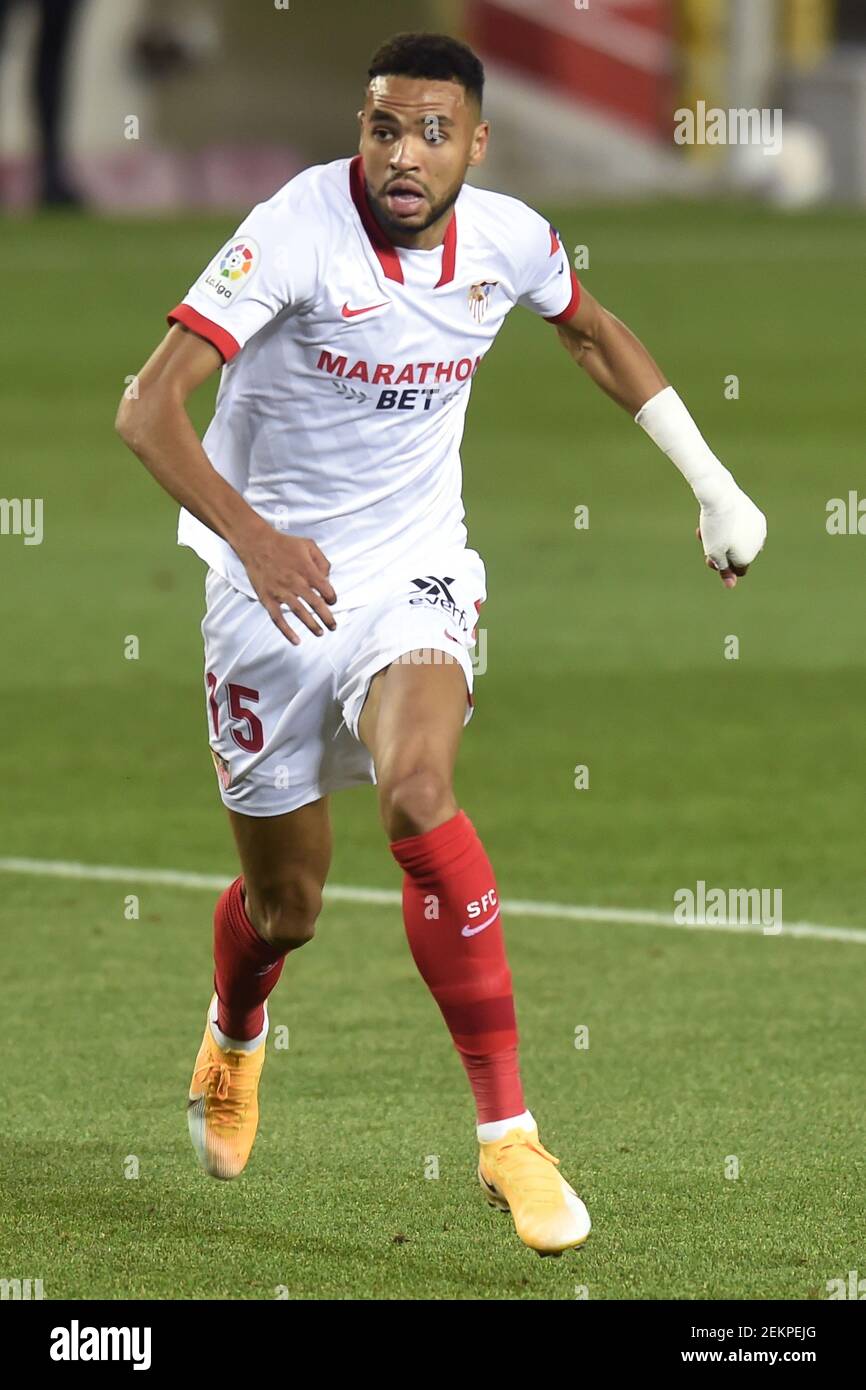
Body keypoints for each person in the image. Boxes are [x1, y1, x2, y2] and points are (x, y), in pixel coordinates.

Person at [115, 31, 766, 1258]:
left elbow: (589, 330)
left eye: (429, 132)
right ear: (357, 133)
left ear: (476, 142)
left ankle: (508, 1136)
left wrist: (710, 482)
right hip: (266, 592)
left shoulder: (510, 239)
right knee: (285, 904)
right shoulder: (294, 229)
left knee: (420, 798)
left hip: (413, 575)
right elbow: (147, 406)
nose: (400, 155)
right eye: (380, 128)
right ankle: (235, 1035)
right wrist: (253, 539)